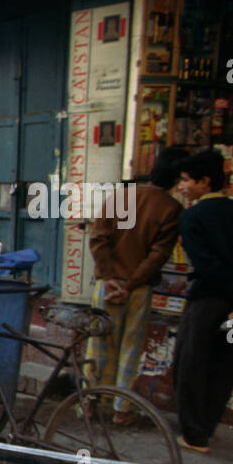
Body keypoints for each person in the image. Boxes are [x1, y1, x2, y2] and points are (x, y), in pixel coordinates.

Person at [170, 149, 233, 453]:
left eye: (186, 181)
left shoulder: (192, 217)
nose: (182, 187)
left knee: (192, 363)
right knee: (224, 363)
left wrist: (230, 296)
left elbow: (207, 266)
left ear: (205, 181)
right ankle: (206, 429)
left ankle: (193, 435)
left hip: (207, 306)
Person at [86, 147, 183, 423]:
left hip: (107, 284)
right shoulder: (171, 208)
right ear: (176, 179)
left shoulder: (121, 196)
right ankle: (121, 410)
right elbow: (157, 256)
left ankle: (89, 403)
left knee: (98, 345)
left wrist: (111, 278)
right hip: (137, 289)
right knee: (130, 348)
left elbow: (98, 239)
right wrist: (129, 284)